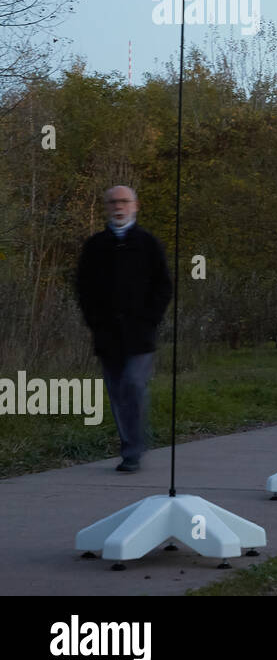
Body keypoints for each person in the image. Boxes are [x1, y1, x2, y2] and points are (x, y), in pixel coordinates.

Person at [74, 185, 173, 472]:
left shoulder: (148, 243)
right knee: (118, 392)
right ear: (107, 207)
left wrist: (150, 319)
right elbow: (83, 288)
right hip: (107, 334)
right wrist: (94, 321)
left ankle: (134, 448)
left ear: (135, 206)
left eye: (124, 202)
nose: (119, 207)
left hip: (140, 334)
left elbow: (163, 286)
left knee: (133, 384)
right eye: (113, 202)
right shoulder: (95, 246)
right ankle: (130, 447)